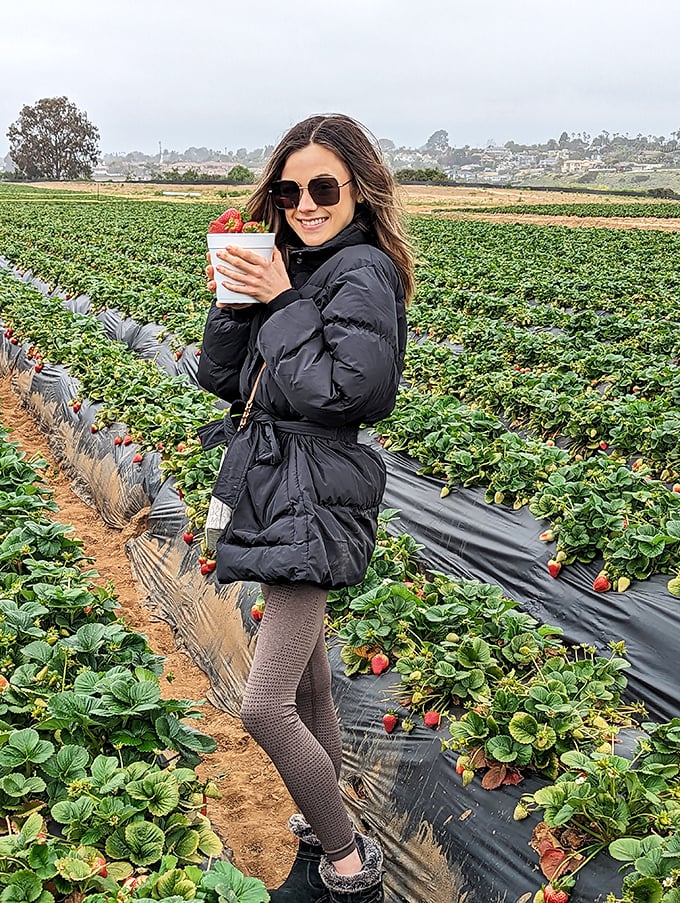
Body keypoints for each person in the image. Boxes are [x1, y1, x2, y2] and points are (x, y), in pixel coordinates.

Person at [197, 113, 414, 903]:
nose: (305, 203)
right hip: (268, 477)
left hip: (312, 487)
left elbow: (351, 392)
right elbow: (222, 380)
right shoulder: (288, 260)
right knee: (311, 687)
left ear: (358, 186)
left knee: (263, 705)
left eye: (323, 186)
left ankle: (350, 868)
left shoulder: (361, 272)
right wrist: (234, 299)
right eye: (289, 189)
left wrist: (286, 299)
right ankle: (322, 835)